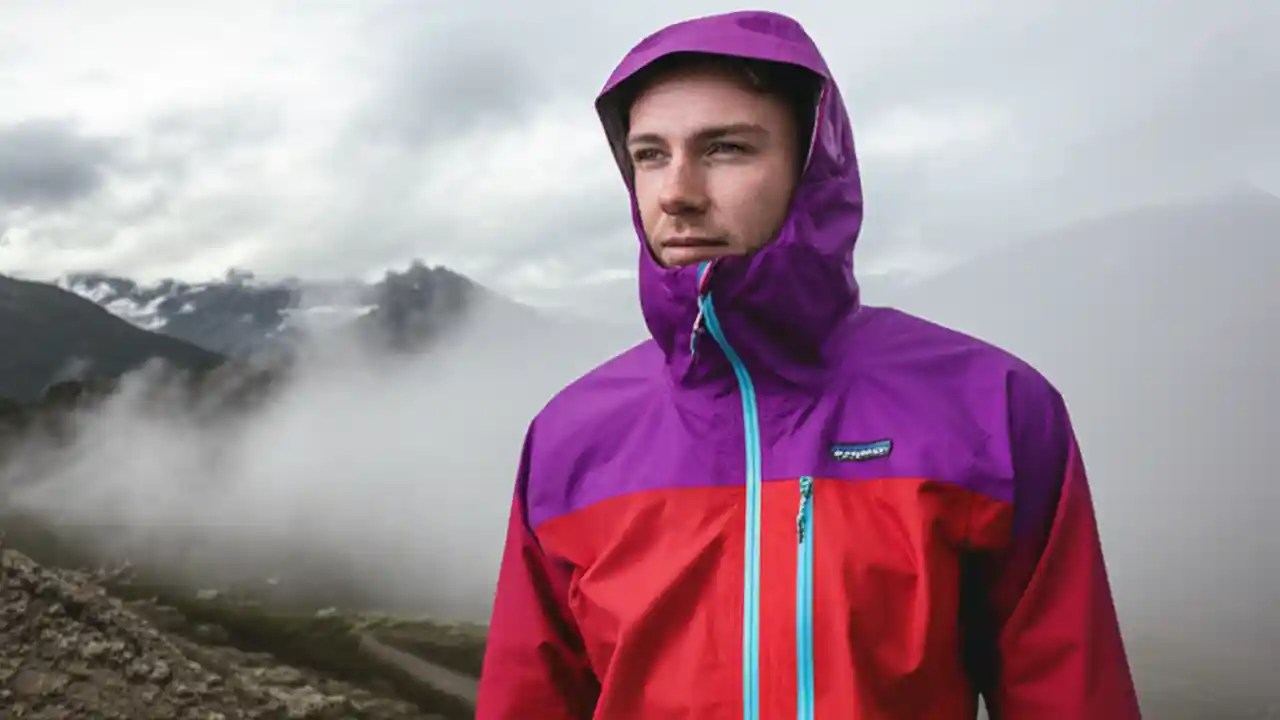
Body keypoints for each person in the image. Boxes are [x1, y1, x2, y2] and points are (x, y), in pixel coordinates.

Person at [476, 10, 1142, 719]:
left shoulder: (993, 409)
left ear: (812, 167)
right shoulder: (570, 437)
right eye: (649, 155)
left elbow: (1071, 696)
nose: (676, 191)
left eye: (725, 148)